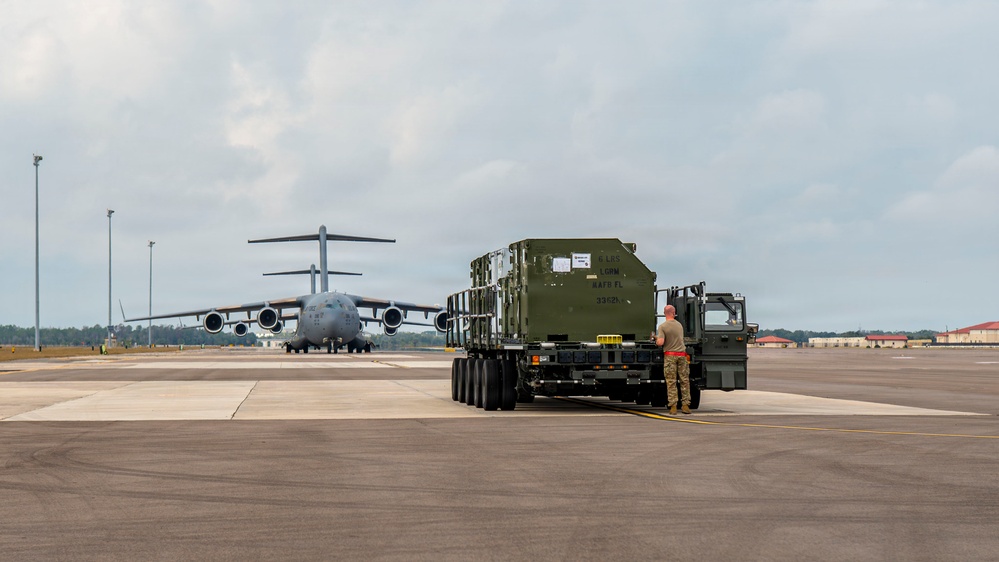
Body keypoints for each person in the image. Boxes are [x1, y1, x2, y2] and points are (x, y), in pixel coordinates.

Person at [656, 304, 691, 415]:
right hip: (682, 355)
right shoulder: (679, 325)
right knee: (684, 380)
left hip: (670, 356)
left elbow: (661, 342)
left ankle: (673, 407)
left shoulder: (663, 326)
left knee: (671, 382)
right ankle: (685, 405)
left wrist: (656, 339)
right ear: (674, 312)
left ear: (664, 312)